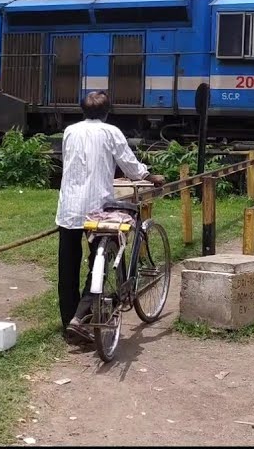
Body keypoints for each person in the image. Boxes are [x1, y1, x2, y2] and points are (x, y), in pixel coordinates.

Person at [55, 91, 165, 342]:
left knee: (67, 267)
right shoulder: (111, 132)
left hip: (69, 209)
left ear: (82, 111)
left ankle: (69, 323)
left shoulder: (70, 131)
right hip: (97, 210)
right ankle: (83, 315)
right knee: (101, 260)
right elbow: (130, 165)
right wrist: (150, 177)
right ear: (107, 112)